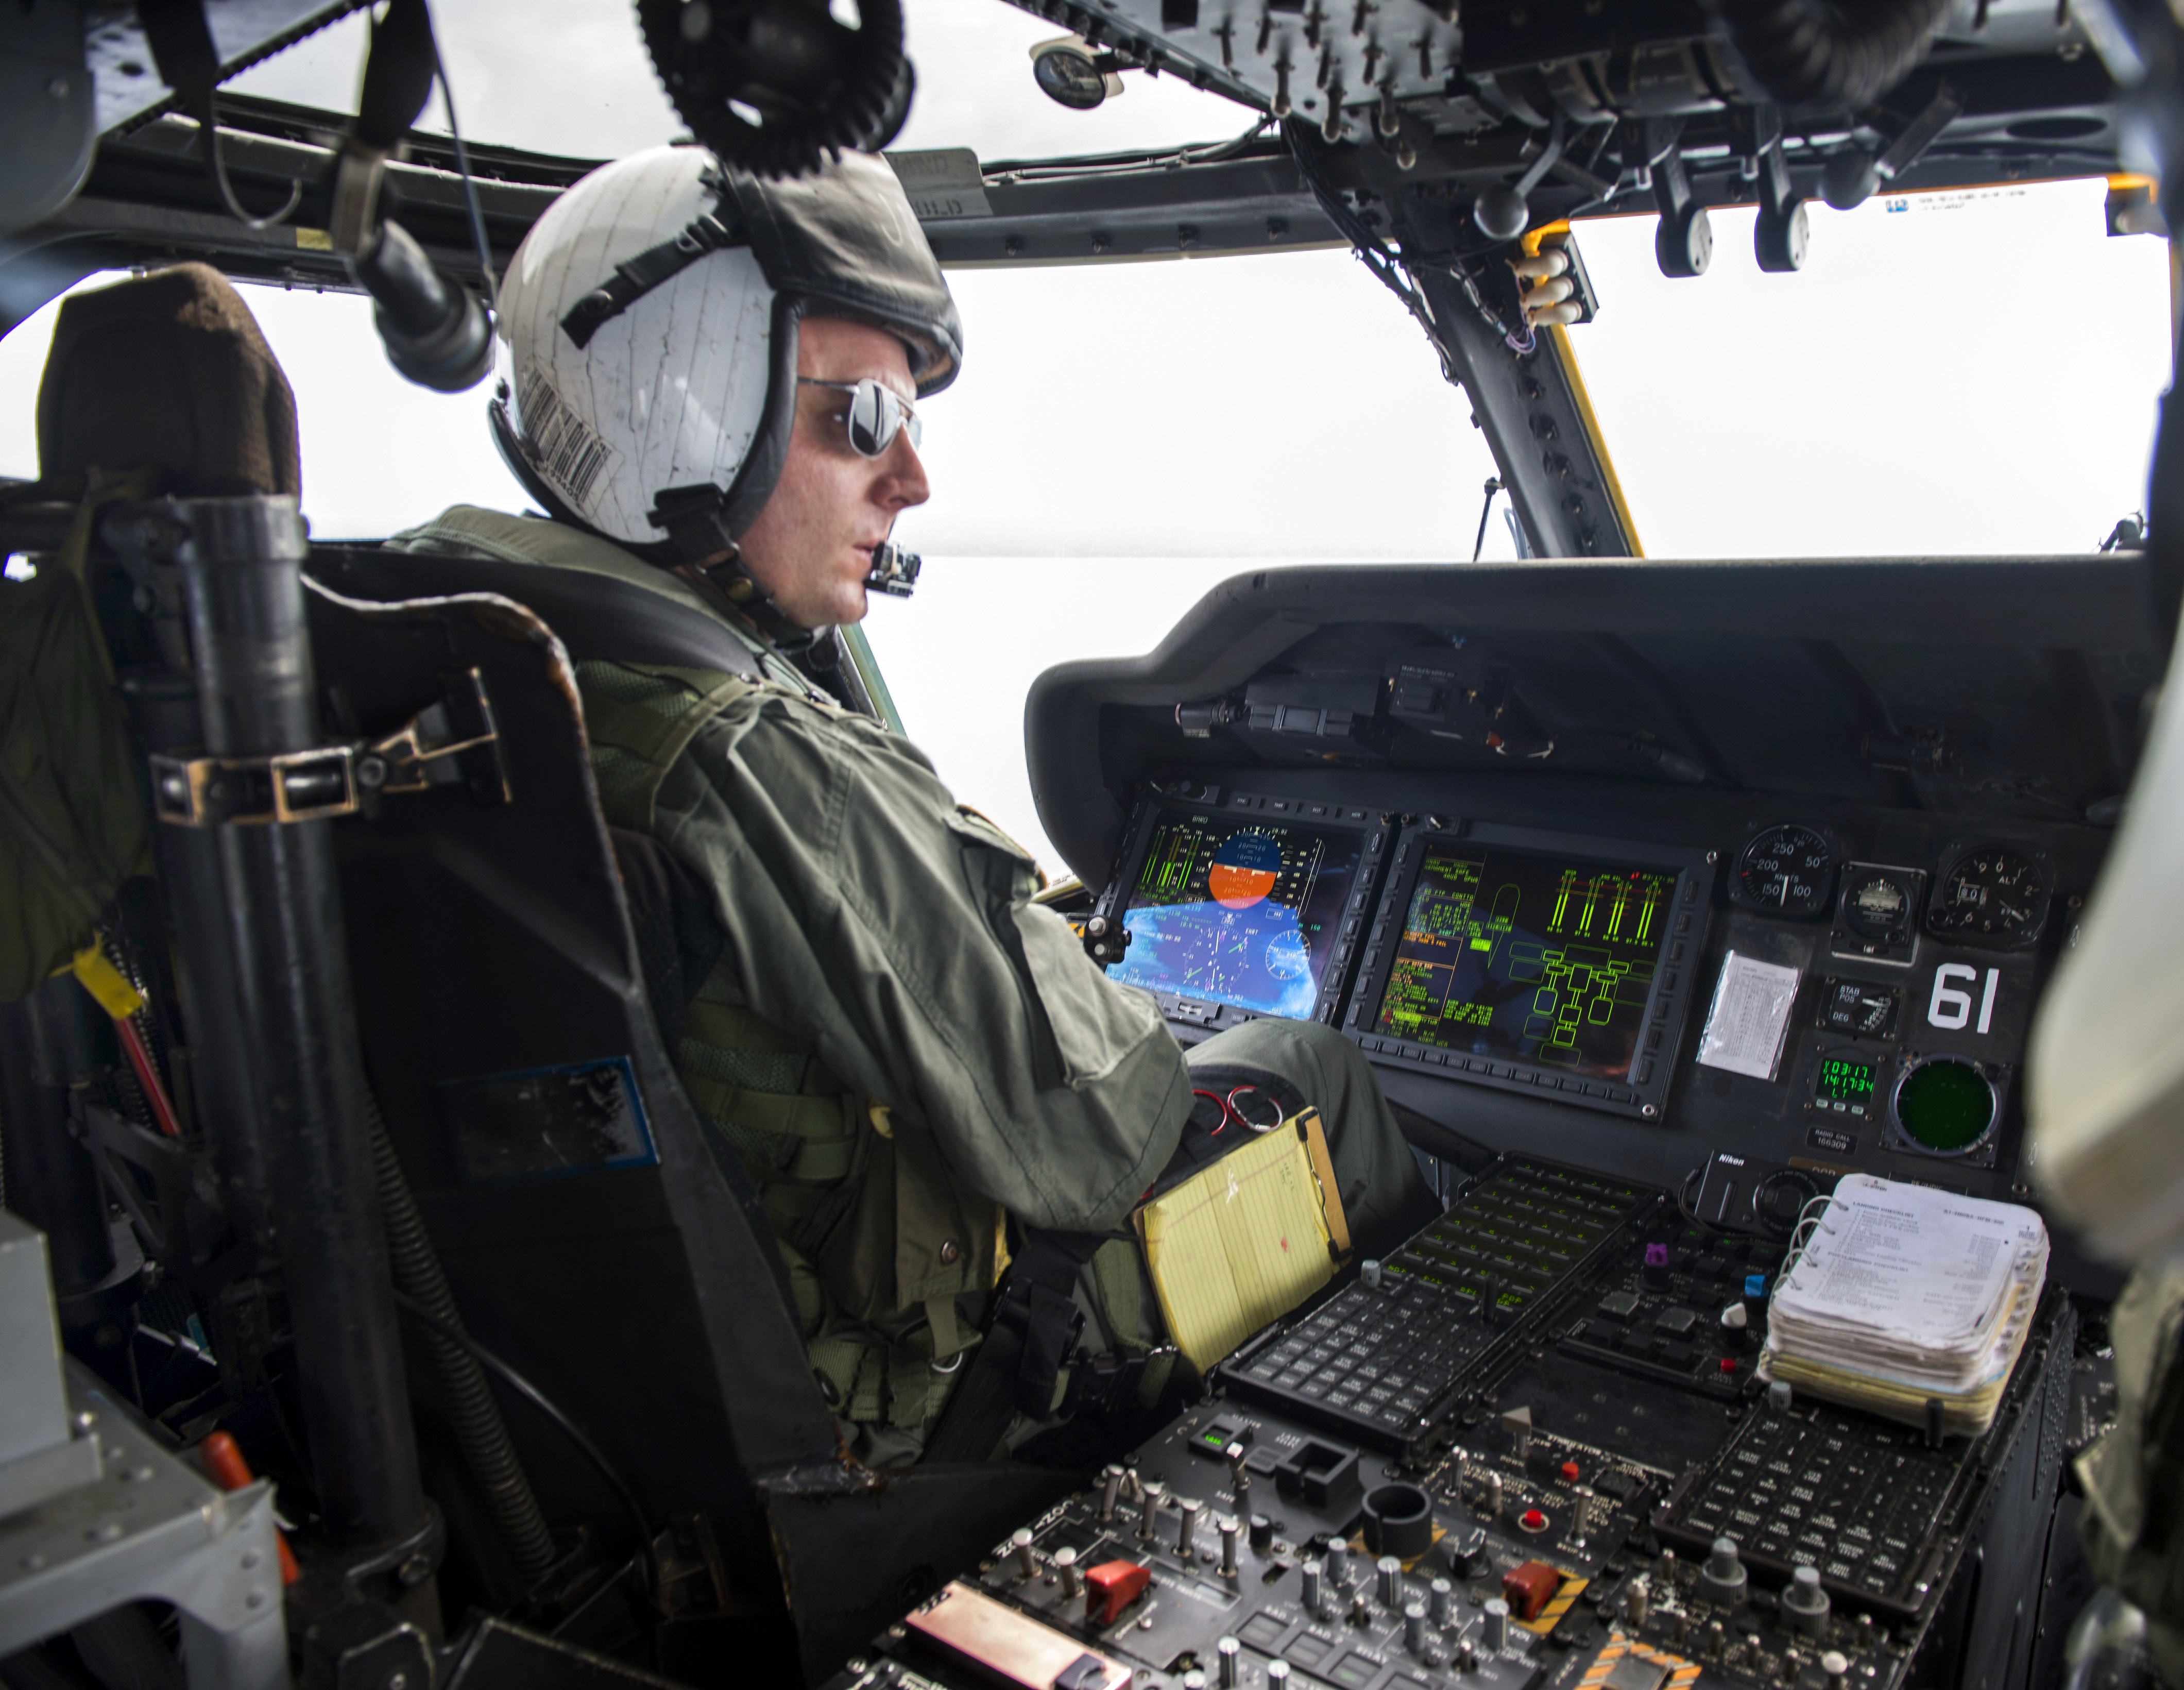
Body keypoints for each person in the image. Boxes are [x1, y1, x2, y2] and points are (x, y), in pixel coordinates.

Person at [388, 144, 1436, 1465]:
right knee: (1310, 1068)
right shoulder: (741, 751)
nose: (913, 481)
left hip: (561, 1390)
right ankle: (1416, 1460)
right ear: (689, 413)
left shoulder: (429, 645)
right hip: (910, 1386)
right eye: (865, 419)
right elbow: (1101, 1142)